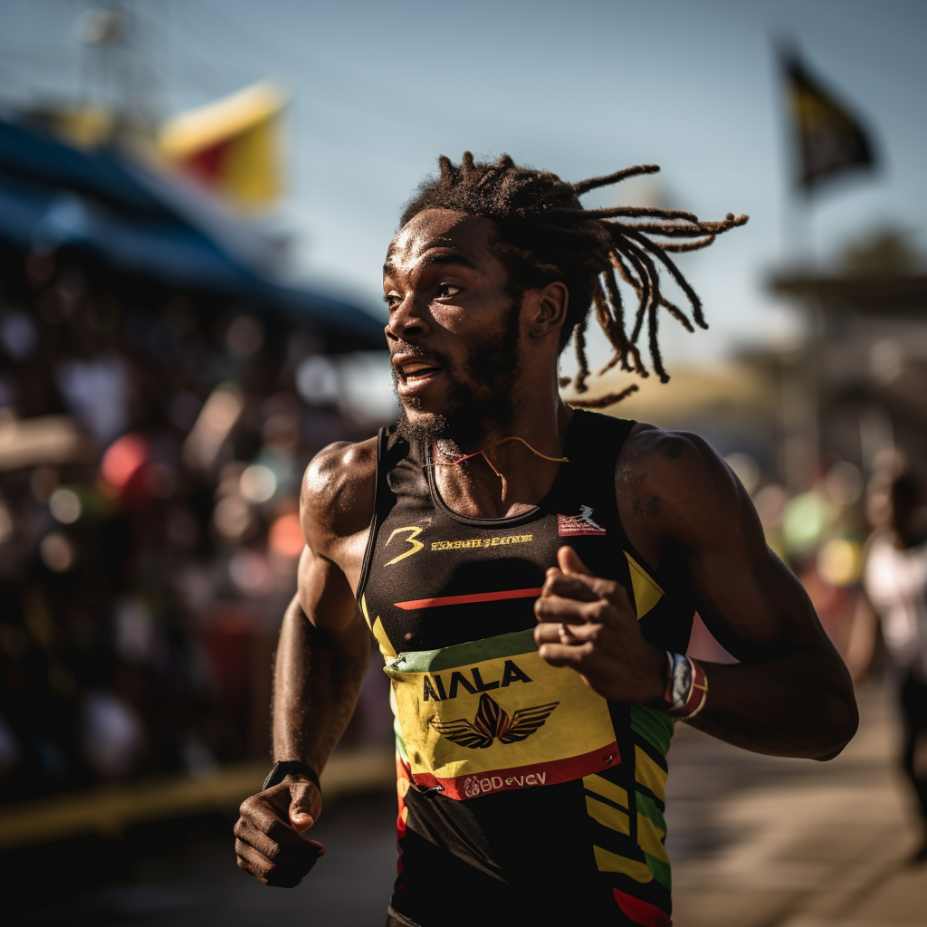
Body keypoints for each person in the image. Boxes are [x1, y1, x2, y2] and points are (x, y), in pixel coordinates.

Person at [234, 154, 858, 926]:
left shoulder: (654, 483)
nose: (400, 321)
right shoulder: (349, 492)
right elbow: (320, 625)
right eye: (394, 296)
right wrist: (293, 764)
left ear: (542, 310)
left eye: (447, 289)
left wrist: (663, 677)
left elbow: (827, 711)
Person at [864, 470, 927, 863]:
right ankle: (924, 827)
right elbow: (873, 608)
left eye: (890, 500)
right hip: (907, 669)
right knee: (906, 758)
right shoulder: (879, 553)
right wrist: (865, 654)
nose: (883, 509)